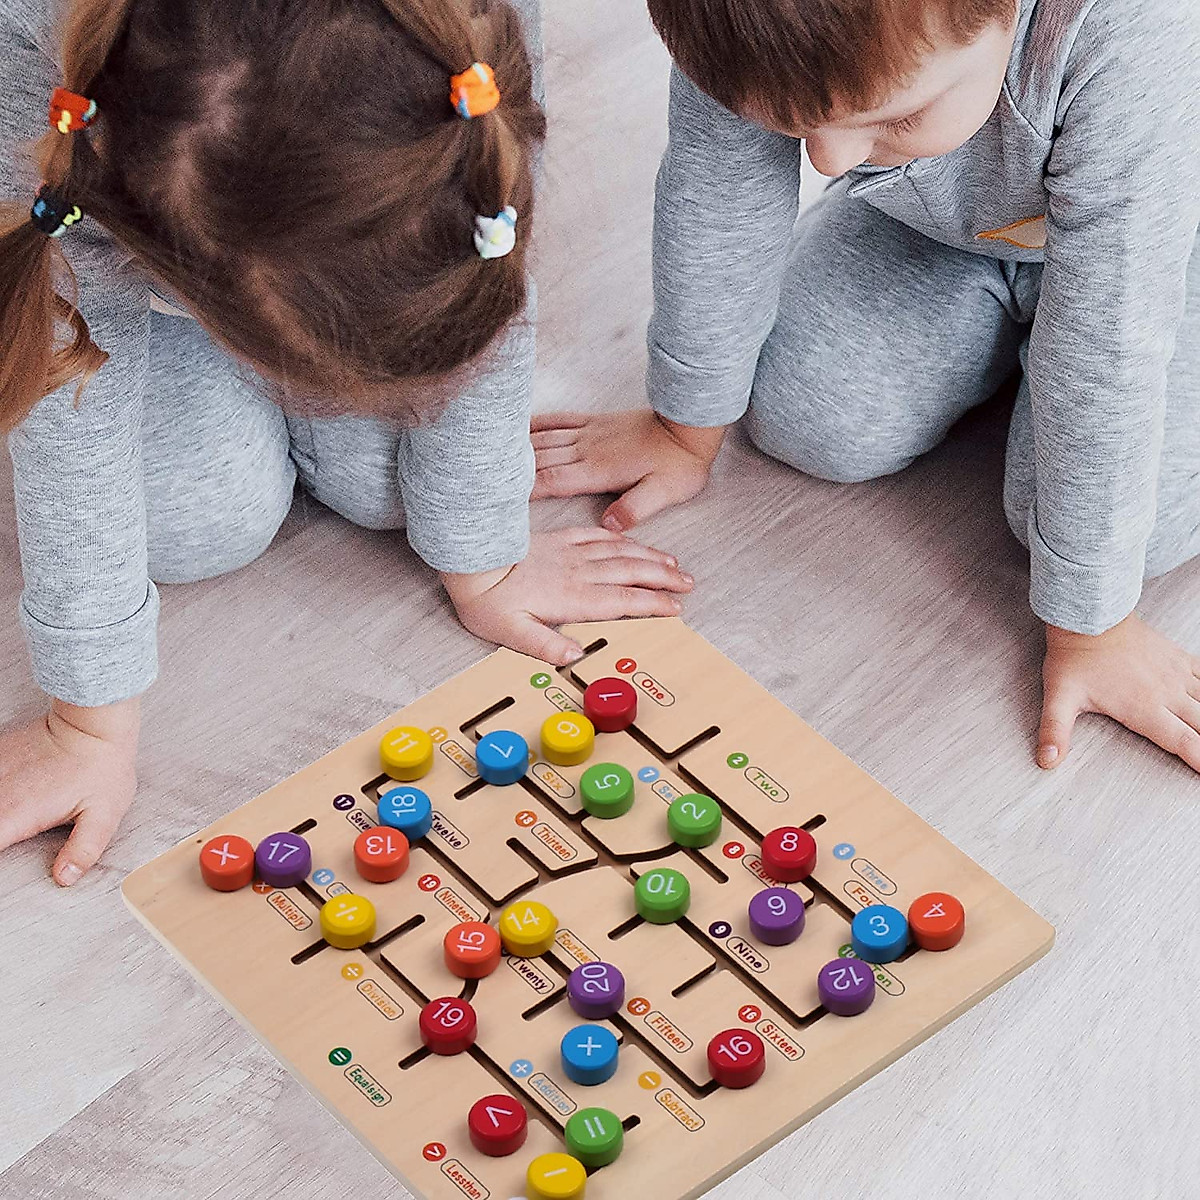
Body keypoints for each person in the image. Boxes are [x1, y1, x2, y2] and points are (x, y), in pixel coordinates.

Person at [0, 0, 692, 885]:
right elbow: (70, 375)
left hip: (251, 230)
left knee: (398, 491)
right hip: (71, 238)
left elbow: (488, 265)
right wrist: (86, 723)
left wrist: (484, 556)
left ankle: (327, 336)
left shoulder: (463, 43)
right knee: (201, 522)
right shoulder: (49, 82)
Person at [534, 0, 1200, 773]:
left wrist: (1094, 627)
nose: (830, 160)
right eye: (799, 127)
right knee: (806, 416)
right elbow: (717, 193)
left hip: (1166, 255)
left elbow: (1109, 337)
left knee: (1126, 535)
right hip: (957, 231)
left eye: (897, 117)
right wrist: (687, 420)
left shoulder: (1134, 34)